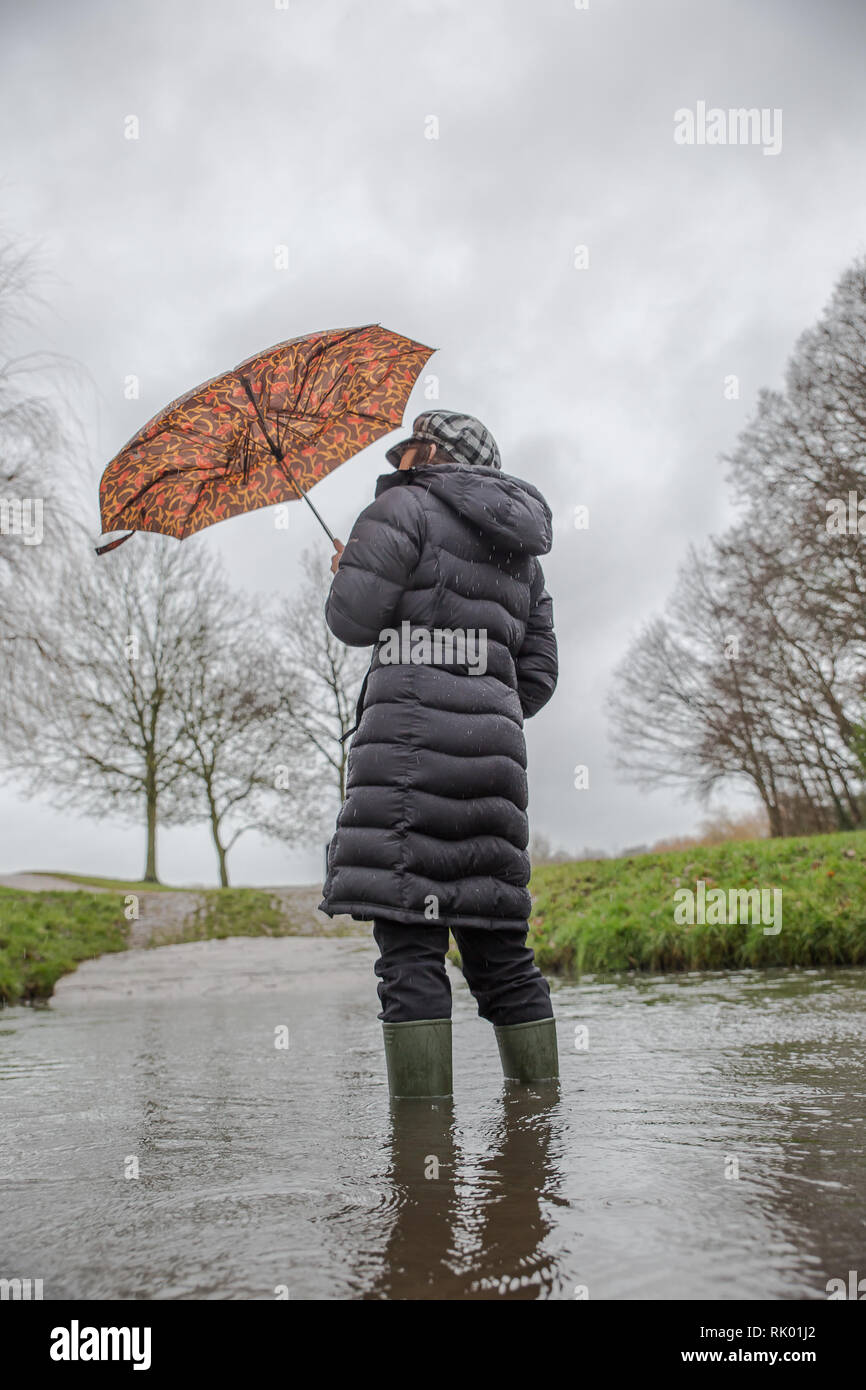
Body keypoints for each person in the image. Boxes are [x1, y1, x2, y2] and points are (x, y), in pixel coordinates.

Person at [318, 410, 559, 1099]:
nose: (398, 461)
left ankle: (421, 1164)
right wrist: (483, 703)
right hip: (493, 771)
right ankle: (540, 1136)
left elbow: (352, 621)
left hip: (407, 764)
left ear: (435, 453)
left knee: (411, 953)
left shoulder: (401, 506)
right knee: (502, 955)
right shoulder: (524, 554)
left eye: (410, 449)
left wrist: (348, 572)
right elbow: (537, 677)